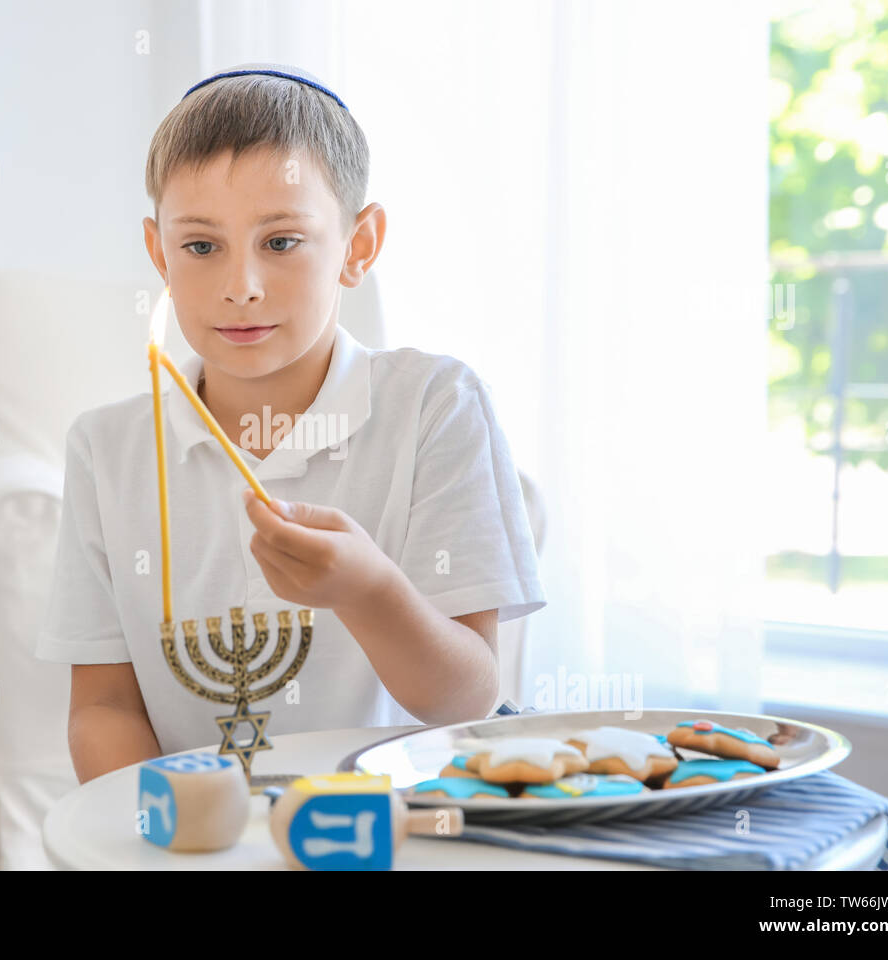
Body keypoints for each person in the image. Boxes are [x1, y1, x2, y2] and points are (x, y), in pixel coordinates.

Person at [36, 63, 546, 783]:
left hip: (391, 832)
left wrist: (370, 592)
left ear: (359, 245)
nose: (240, 286)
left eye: (281, 242)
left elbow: (464, 697)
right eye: (201, 247)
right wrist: (163, 833)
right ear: (159, 253)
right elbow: (105, 706)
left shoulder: (437, 406)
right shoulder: (106, 449)